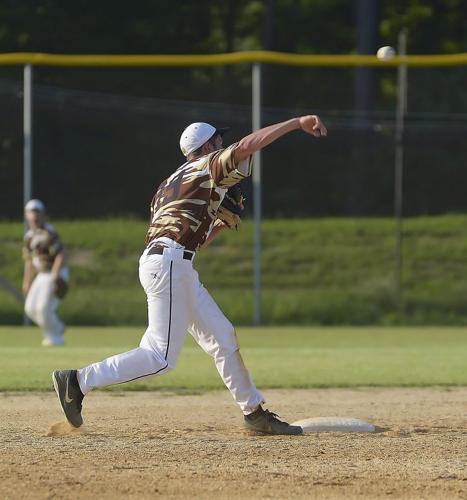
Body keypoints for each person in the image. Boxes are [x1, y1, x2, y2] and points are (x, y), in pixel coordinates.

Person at [52, 116, 328, 435]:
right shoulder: (208, 164)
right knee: (159, 357)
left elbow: (187, 239)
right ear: (207, 146)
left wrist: (218, 226)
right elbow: (248, 146)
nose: (222, 145)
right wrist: (296, 123)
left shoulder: (168, 184)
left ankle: (254, 412)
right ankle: (78, 381)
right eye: (218, 141)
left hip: (174, 263)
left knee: (222, 336)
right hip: (170, 264)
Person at [22, 199, 70, 347]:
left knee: (43, 309)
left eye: (37, 211)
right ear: (27, 215)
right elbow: (29, 261)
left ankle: (55, 338)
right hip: (42, 275)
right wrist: (27, 281)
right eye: (31, 212)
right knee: (30, 309)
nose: (34, 215)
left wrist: (55, 274)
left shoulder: (49, 232)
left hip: (55, 272)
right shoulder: (29, 237)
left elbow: (61, 254)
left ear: (42, 214)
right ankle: (58, 328)